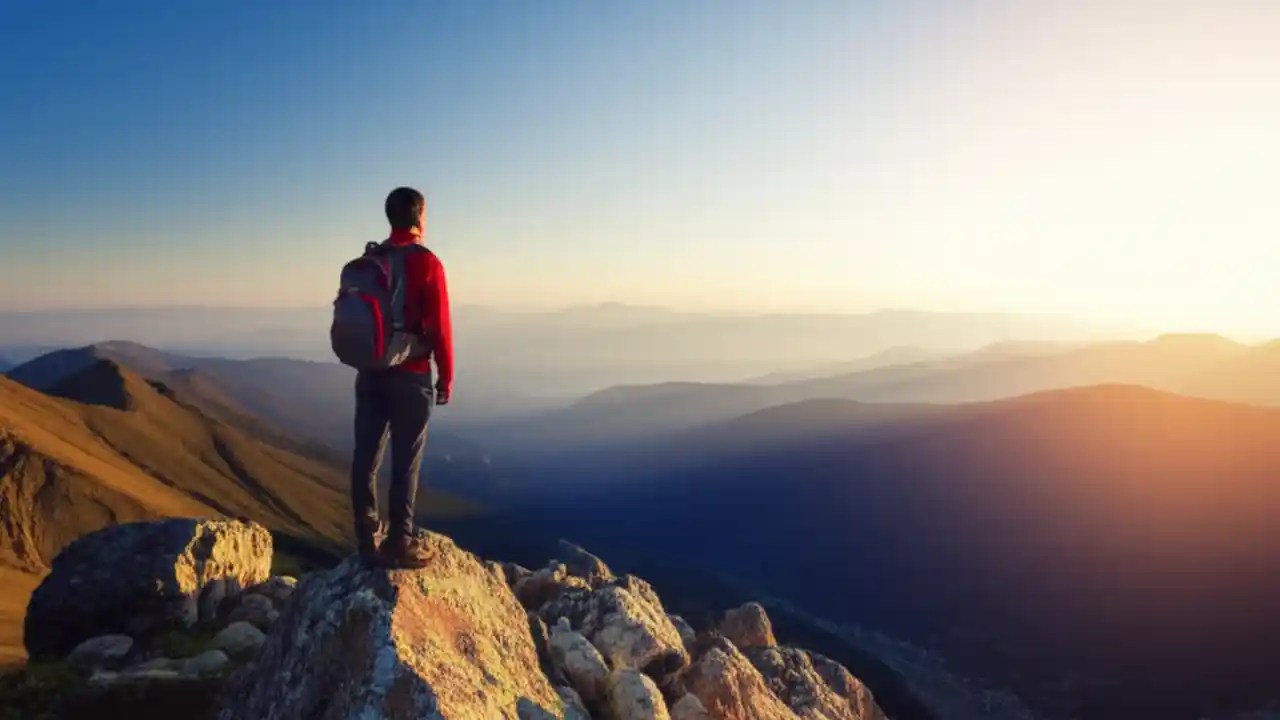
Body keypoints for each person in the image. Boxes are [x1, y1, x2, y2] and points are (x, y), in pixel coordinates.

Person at [350, 186, 453, 568]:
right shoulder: (427, 263)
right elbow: (441, 326)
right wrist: (447, 376)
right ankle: (399, 541)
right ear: (419, 216)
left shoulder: (372, 258)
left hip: (371, 372)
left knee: (366, 455)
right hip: (410, 376)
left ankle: (365, 536)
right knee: (405, 461)